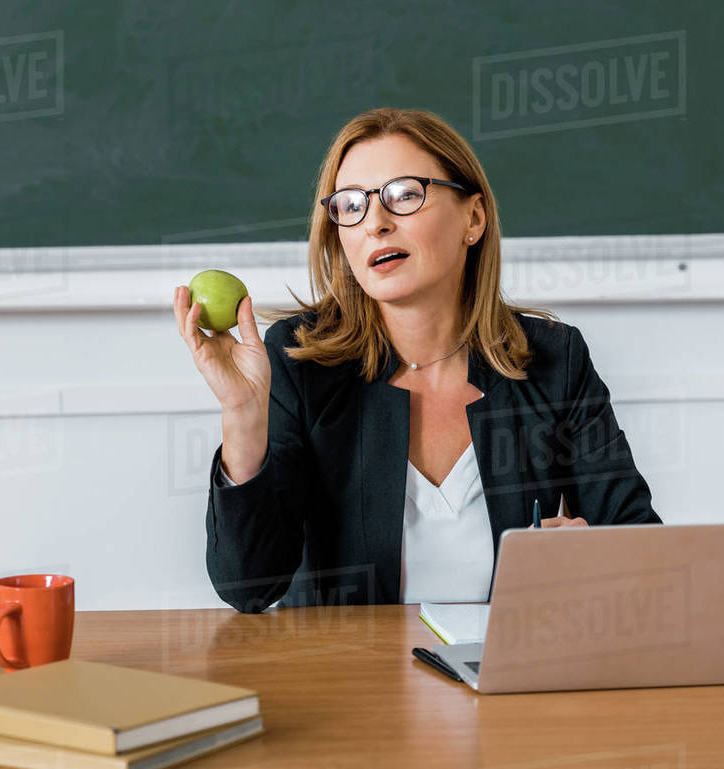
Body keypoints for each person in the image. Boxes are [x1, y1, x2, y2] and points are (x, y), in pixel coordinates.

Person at [173, 107, 660, 614]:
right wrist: (243, 417)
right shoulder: (298, 360)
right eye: (351, 205)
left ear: (473, 218)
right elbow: (249, 587)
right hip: (348, 683)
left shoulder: (554, 360)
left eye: (405, 195)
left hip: (502, 681)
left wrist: (590, 557)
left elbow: (643, 553)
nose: (376, 224)